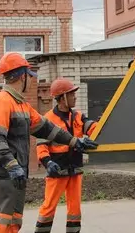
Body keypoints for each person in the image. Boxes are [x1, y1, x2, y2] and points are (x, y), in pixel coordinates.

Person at [0, 52, 98, 233]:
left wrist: (74, 142)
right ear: (23, 76)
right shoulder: (2, 102)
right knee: (0, 225)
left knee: (13, 224)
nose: (30, 80)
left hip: (16, 174)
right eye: (29, 76)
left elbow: (47, 129)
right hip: (4, 175)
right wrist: (13, 166)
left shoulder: (21, 104)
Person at [34, 78, 98, 233]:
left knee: (75, 210)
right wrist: (48, 163)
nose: (75, 97)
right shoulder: (48, 119)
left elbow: (92, 128)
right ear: (62, 98)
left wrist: (103, 125)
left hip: (74, 170)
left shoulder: (77, 116)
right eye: (72, 94)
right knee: (48, 207)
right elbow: (41, 146)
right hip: (57, 170)